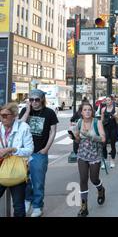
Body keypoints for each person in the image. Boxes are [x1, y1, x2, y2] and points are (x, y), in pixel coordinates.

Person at [19, 89, 59, 217]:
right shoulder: (25, 111)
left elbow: (53, 132)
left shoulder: (49, 113)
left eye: (36, 99)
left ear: (42, 99)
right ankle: (27, 200)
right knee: (24, 180)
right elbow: (19, 127)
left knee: (38, 181)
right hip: (24, 152)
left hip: (39, 151)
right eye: (31, 100)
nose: (34, 102)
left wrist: (46, 148)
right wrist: (28, 111)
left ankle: (37, 206)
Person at [70, 103, 106, 217]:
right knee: (83, 179)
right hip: (82, 154)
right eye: (85, 110)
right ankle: (84, 207)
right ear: (81, 112)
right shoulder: (79, 123)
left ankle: (100, 189)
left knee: (94, 178)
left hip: (95, 155)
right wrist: (74, 136)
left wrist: (90, 135)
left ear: (92, 111)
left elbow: (103, 139)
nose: (87, 112)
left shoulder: (97, 122)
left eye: (89, 110)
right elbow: (78, 141)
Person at [0, 103, 34, 217]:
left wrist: (13, 149)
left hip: (18, 170)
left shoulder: (23, 127)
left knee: (18, 205)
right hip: (1, 168)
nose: (2, 118)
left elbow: (29, 150)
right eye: (1, 115)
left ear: (14, 115)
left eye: (5, 115)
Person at [100, 96, 118, 169]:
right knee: (104, 144)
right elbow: (101, 121)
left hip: (113, 128)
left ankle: (112, 160)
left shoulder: (116, 109)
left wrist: (115, 116)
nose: (107, 101)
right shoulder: (103, 109)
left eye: (109, 100)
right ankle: (105, 159)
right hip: (106, 128)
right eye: (106, 100)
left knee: (113, 145)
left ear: (112, 101)